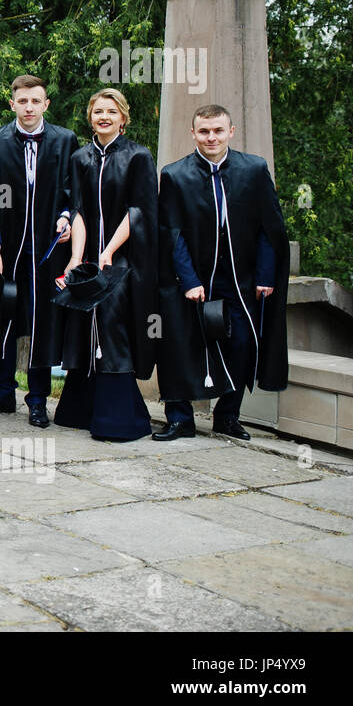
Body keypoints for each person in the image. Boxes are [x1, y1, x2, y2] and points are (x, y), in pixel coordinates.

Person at [153, 105, 289, 442]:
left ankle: (227, 416)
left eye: (217, 131)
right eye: (204, 131)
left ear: (231, 131)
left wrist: (265, 275)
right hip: (191, 279)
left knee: (242, 342)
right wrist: (189, 280)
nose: (211, 137)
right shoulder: (175, 174)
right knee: (180, 346)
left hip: (241, 279)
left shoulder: (254, 170)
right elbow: (172, 233)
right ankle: (180, 418)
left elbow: (269, 228)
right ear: (193, 133)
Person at [54, 87, 158, 441]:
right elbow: (79, 210)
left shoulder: (138, 157)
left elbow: (139, 211)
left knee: (112, 325)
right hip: (90, 254)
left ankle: (118, 420)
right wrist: (75, 259)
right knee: (86, 326)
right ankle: (80, 410)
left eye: (111, 112)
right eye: (98, 111)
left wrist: (109, 251)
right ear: (90, 117)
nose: (104, 117)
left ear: (123, 118)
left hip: (123, 256)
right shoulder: (80, 158)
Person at [0, 75, 78, 427]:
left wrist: (66, 217)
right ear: (12, 104)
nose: (29, 108)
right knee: (4, 316)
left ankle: (37, 400)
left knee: (42, 322)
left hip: (48, 249)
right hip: (7, 247)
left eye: (35, 101)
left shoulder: (66, 140)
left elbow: (72, 191)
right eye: (22, 101)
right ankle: (2, 392)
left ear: (46, 104)